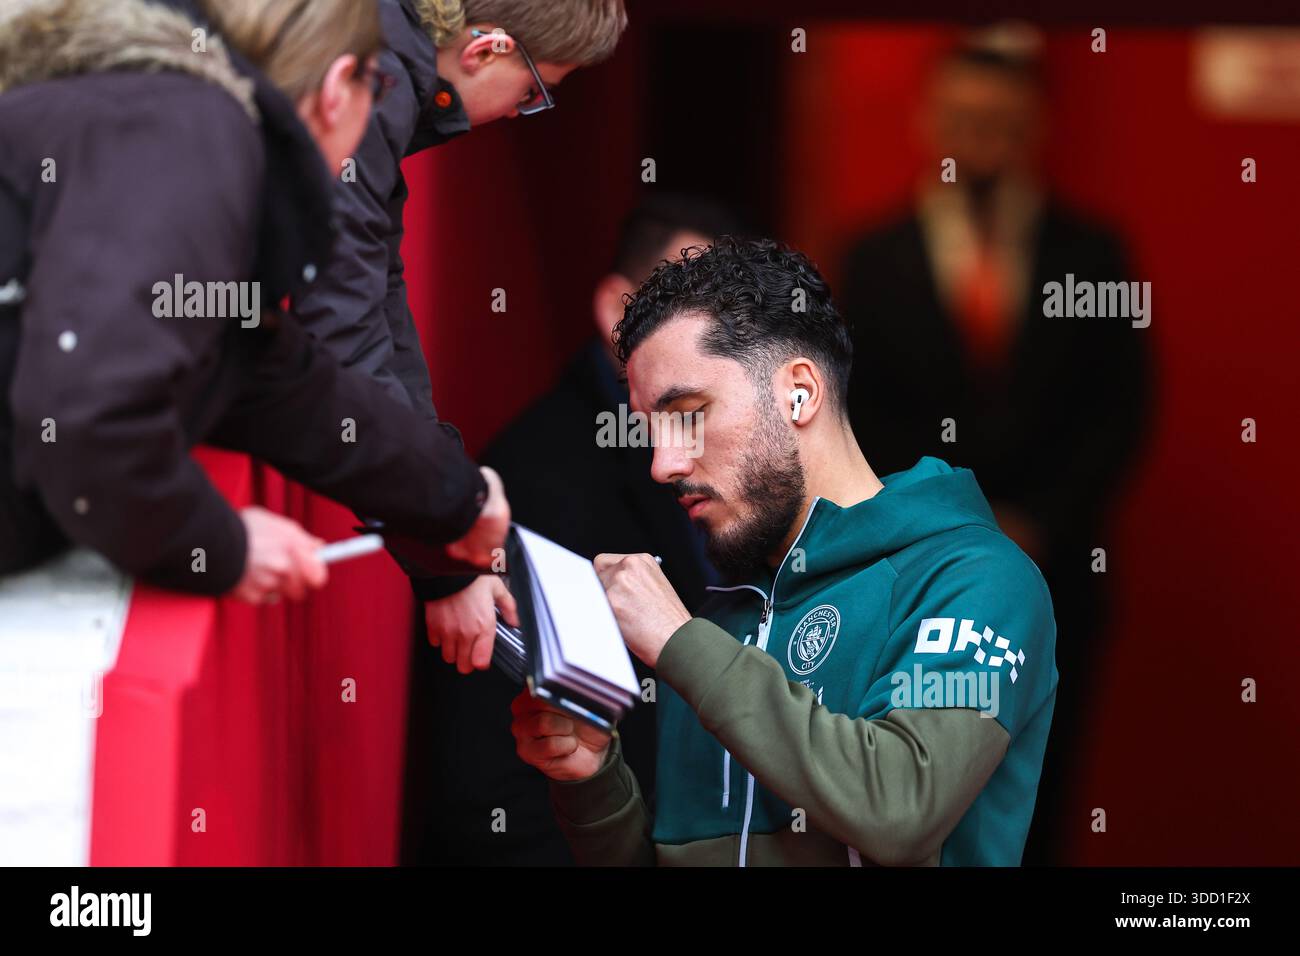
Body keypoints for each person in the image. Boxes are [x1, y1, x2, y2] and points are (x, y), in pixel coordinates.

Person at [511, 238, 1059, 866]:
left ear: (798, 391)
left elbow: (901, 812)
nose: (662, 465)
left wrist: (681, 645)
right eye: (650, 432)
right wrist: (593, 784)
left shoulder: (975, 579)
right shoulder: (721, 618)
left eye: (686, 415)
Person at [0, 0, 507, 602]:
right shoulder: (193, 129)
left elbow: (274, 379)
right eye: (379, 83)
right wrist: (222, 546)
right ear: (338, 86)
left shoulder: (181, 121)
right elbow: (94, 416)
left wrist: (454, 496)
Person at [836, 35, 1152, 862]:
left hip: (1057, 570)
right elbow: (856, 415)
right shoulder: (871, 258)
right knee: (918, 788)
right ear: (928, 121)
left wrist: (1036, 521)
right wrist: (956, 529)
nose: (980, 137)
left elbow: (1119, 412)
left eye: (1000, 121)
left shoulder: (1094, 253)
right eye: (963, 117)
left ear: (1033, 126)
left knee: (1040, 791)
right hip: (915, 576)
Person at [291, 0, 628, 671]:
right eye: (533, 91)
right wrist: (445, 547)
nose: (518, 113)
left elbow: (377, 308)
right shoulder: (374, 78)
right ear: (485, 50)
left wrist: (446, 530)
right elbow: (347, 334)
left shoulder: (381, 68)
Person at [409, 194, 738, 865]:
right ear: (618, 312)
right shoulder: (535, 478)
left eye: (732, 326)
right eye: (684, 311)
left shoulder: (727, 459)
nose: (713, 347)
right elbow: (491, 772)